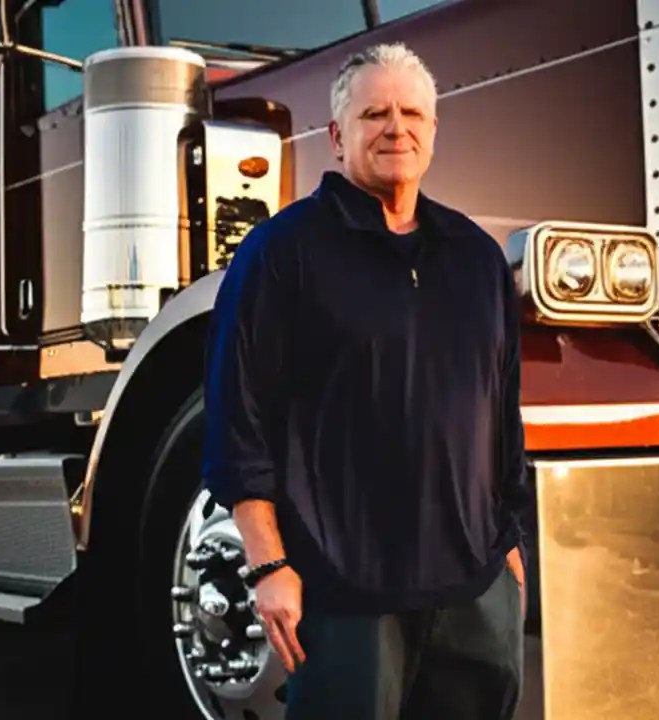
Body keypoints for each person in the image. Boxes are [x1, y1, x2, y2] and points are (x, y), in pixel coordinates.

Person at [202, 41, 531, 720]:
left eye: (412, 112)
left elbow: (502, 419)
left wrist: (511, 556)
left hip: (474, 593)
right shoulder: (280, 253)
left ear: (434, 130)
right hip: (343, 597)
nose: (396, 127)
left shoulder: (475, 258)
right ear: (336, 135)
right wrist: (268, 566)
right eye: (374, 113)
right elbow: (240, 420)